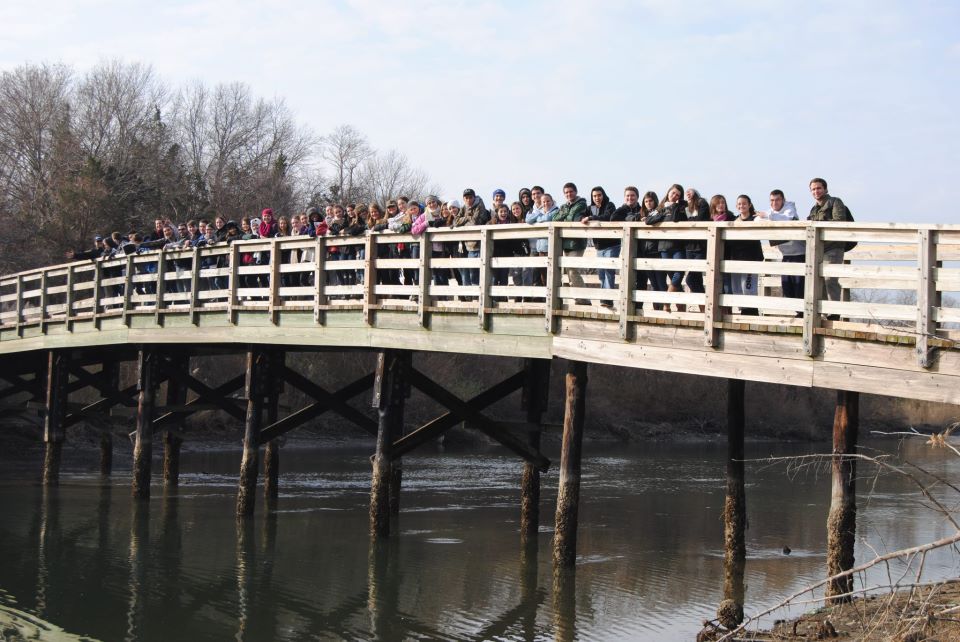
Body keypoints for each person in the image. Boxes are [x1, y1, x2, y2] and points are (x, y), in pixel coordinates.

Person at [756, 189, 804, 306]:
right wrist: (765, 217)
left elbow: (787, 218)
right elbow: (757, 219)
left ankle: (802, 314)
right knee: (787, 286)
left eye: (777, 200)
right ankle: (797, 312)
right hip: (786, 255)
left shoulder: (790, 208)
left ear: (783, 200)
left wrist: (768, 216)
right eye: (772, 200)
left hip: (800, 254)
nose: (774, 203)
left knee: (800, 287)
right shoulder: (771, 212)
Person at [807, 177, 850, 305]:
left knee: (830, 279)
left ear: (825, 189)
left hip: (834, 247)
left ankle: (834, 311)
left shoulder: (835, 202)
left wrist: (818, 224)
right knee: (818, 280)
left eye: (819, 188)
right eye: (813, 189)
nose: (816, 191)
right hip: (818, 249)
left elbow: (839, 221)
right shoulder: (813, 209)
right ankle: (824, 312)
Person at [646, 184, 688, 310]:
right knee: (672, 276)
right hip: (663, 246)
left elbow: (675, 219)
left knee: (679, 273)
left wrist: (674, 205)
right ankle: (681, 309)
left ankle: (666, 301)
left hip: (678, 245)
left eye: (677, 195)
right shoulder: (660, 207)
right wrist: (663, 213)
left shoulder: (681, 206)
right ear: (668, 192)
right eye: (673, 192)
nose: (674, 195)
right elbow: (648, 220)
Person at [726, 195, 764, 315]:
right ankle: (743, 312)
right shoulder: (734, 221)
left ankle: (751, 313)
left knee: (748, 287)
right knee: (737, 288)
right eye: (739, 204)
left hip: (750, 258)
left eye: (744, 203)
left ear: (749, 205)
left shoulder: (755, 219)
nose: (741, 206)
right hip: (736, 258)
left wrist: (764, 215)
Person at [583, 186, 622, 304]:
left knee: (609, 271)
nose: (597, 198)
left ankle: (608, 299)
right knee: (601, 273)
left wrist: (590, 218)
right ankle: (604, 297)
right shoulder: (590, 208)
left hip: (612, 244)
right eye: (594, 196)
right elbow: (580, 216)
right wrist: (584, 218)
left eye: (599, 195)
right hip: (599, 246)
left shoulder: (610, 205)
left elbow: (607, 217)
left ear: (603, 195)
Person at [553, 182, 589, 305]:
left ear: (576, 192)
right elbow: (554, 219)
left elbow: (572, 218)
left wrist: (564, 215)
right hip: (565, 242)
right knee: (568, 271)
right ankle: (577, 298)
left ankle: (583, 298)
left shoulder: (581, 203)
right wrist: (564, 215)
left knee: (573, 269)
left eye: (571, 191)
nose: (569, 194)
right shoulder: (564, 206)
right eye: (566, 192)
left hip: (577, 242)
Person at [684, 188, 711, 296]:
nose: (688, 193)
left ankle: (703, 304)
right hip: (689, 246)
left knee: (690, 279)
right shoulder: (685, 206)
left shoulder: (701, 202)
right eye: (686, 192)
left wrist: (688, 222)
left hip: (701, 246)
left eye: (690, 191)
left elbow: (700, 220)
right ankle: (702, 307)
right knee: (697, 279)